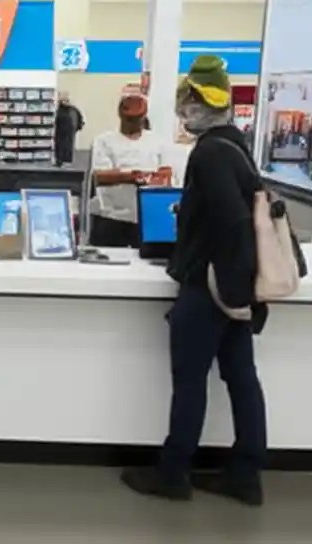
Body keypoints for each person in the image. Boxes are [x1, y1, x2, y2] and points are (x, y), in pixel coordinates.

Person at [121, 55, 267, 507]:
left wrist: (227, 290)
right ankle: (245, 475)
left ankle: (173, 472)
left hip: (211, 287)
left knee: (189, 380)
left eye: (187, 103)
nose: (183, 112)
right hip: (236, 287)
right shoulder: (236, 144)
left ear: (199, 103)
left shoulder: (209, 153)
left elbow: (231, 221)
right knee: (242, 378)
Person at [88, 89, 167, 247]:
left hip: (145, 217)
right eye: (129, 119)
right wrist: (133, 177)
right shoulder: (104, 141)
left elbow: (165, 175)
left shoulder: (157, 142)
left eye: (137, 119)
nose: (133, 123)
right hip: (111, 217)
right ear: (121, 116)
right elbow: (100, 176)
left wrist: (150, 178)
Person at [54, 93, 84, 167]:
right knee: (60, 146)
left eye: (66, 100)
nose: (64, 102)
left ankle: (66, 161)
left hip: (68, 132)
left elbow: (80, 119)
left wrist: (77, 128)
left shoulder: (73, 110)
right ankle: (59, 161)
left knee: (67, 146)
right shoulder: (59, 110)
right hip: (60, 132)